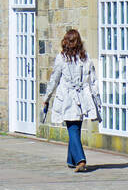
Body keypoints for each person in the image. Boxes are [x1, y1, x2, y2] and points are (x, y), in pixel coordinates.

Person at [41, 28, 102, 172]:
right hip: (82, 99)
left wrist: (46, 97)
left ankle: (81, 160)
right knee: (75, 128)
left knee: (73, 129)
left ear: (66, 42)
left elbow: (54, 79)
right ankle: (71, 160)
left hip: (68, 98)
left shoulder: (61, 58)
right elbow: (93, 80)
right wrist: (96, 99)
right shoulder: (85, 57)